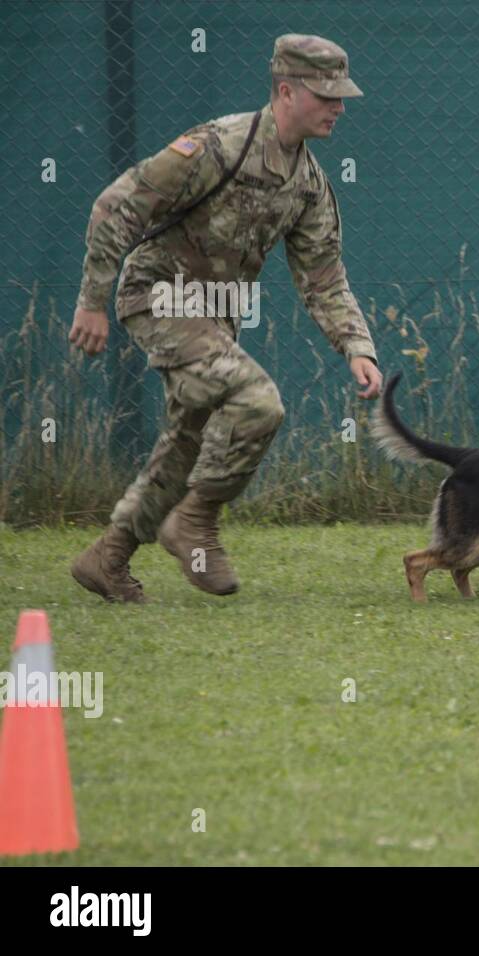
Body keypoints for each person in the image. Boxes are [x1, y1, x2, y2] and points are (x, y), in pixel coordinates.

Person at [68, 34, 383, 602]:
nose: (340, 107)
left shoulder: (309, 185)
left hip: (216, 320)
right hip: (159, 297)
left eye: (343, 96)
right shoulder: (218, 147)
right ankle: (196, 522)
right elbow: (116, 205)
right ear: (286, 90)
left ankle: (108, 559)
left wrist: (356, 346)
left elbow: (324, 278)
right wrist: (93, 299)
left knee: (186, 446)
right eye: (327, 95)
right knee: (258, 401)